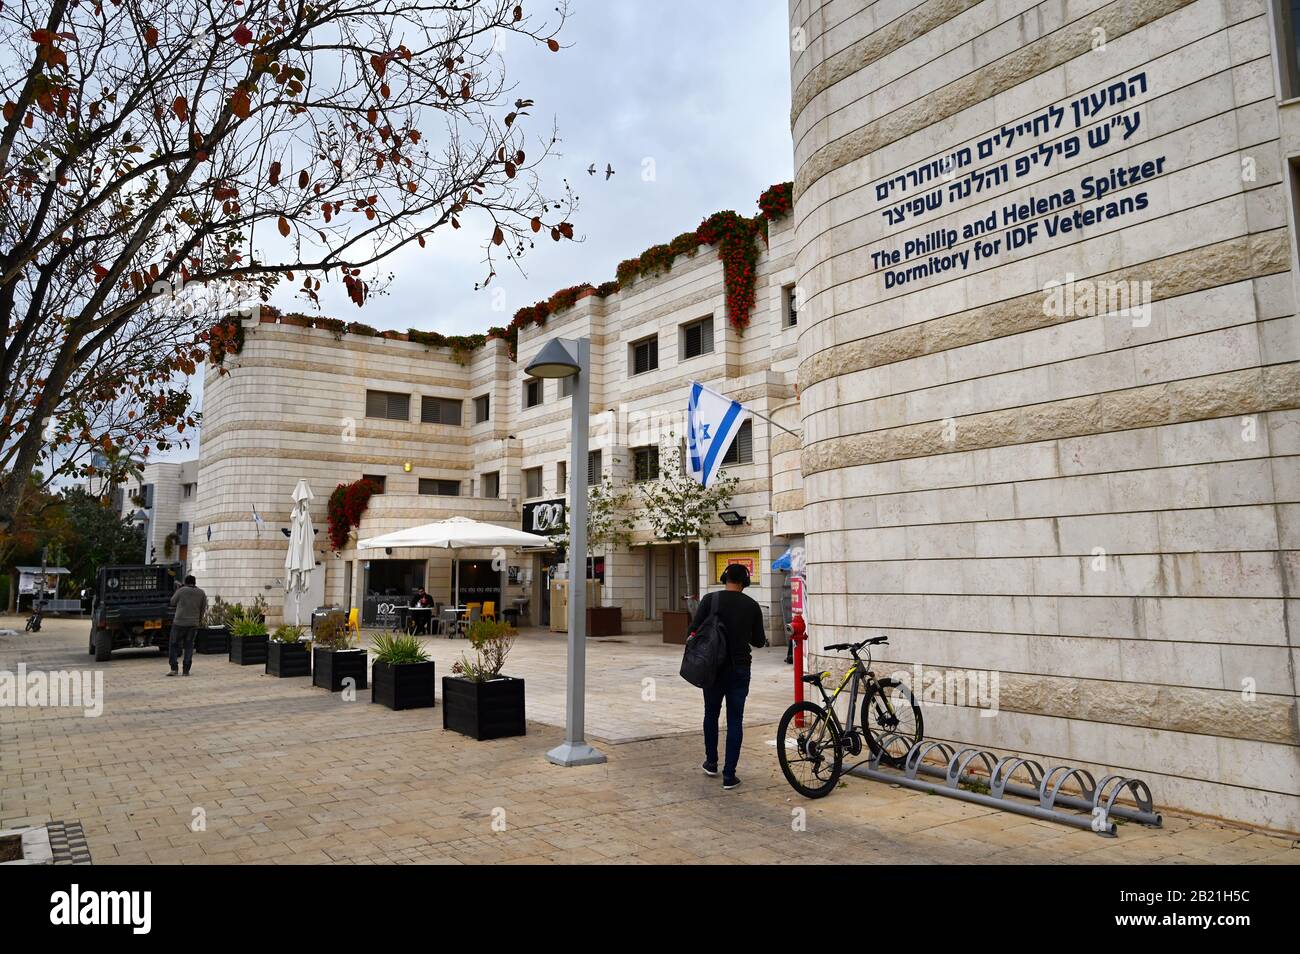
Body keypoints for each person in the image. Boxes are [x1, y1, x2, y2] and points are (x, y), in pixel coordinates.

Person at [693, 563, 767, 790]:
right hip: (739, 670)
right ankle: (729, 775)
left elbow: (692, 632)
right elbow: (759, 641)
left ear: (725, 578)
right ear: (745, 582)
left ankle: (711, 762)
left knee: (711, 714)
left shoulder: (710, 600)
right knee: (735, 720)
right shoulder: (751, 605)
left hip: (712, 668)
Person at [167, 574, 207, 677]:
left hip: (179, 623)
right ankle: (186, 670)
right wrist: (199, 621)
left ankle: (174, 668)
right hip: (193, 624)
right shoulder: (201, 593)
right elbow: (203, 609)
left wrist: (179, 590)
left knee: (174, 644)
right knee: (189, 646)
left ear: (185, 582)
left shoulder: (181, 590)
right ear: (195, 582)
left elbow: (172, 602)